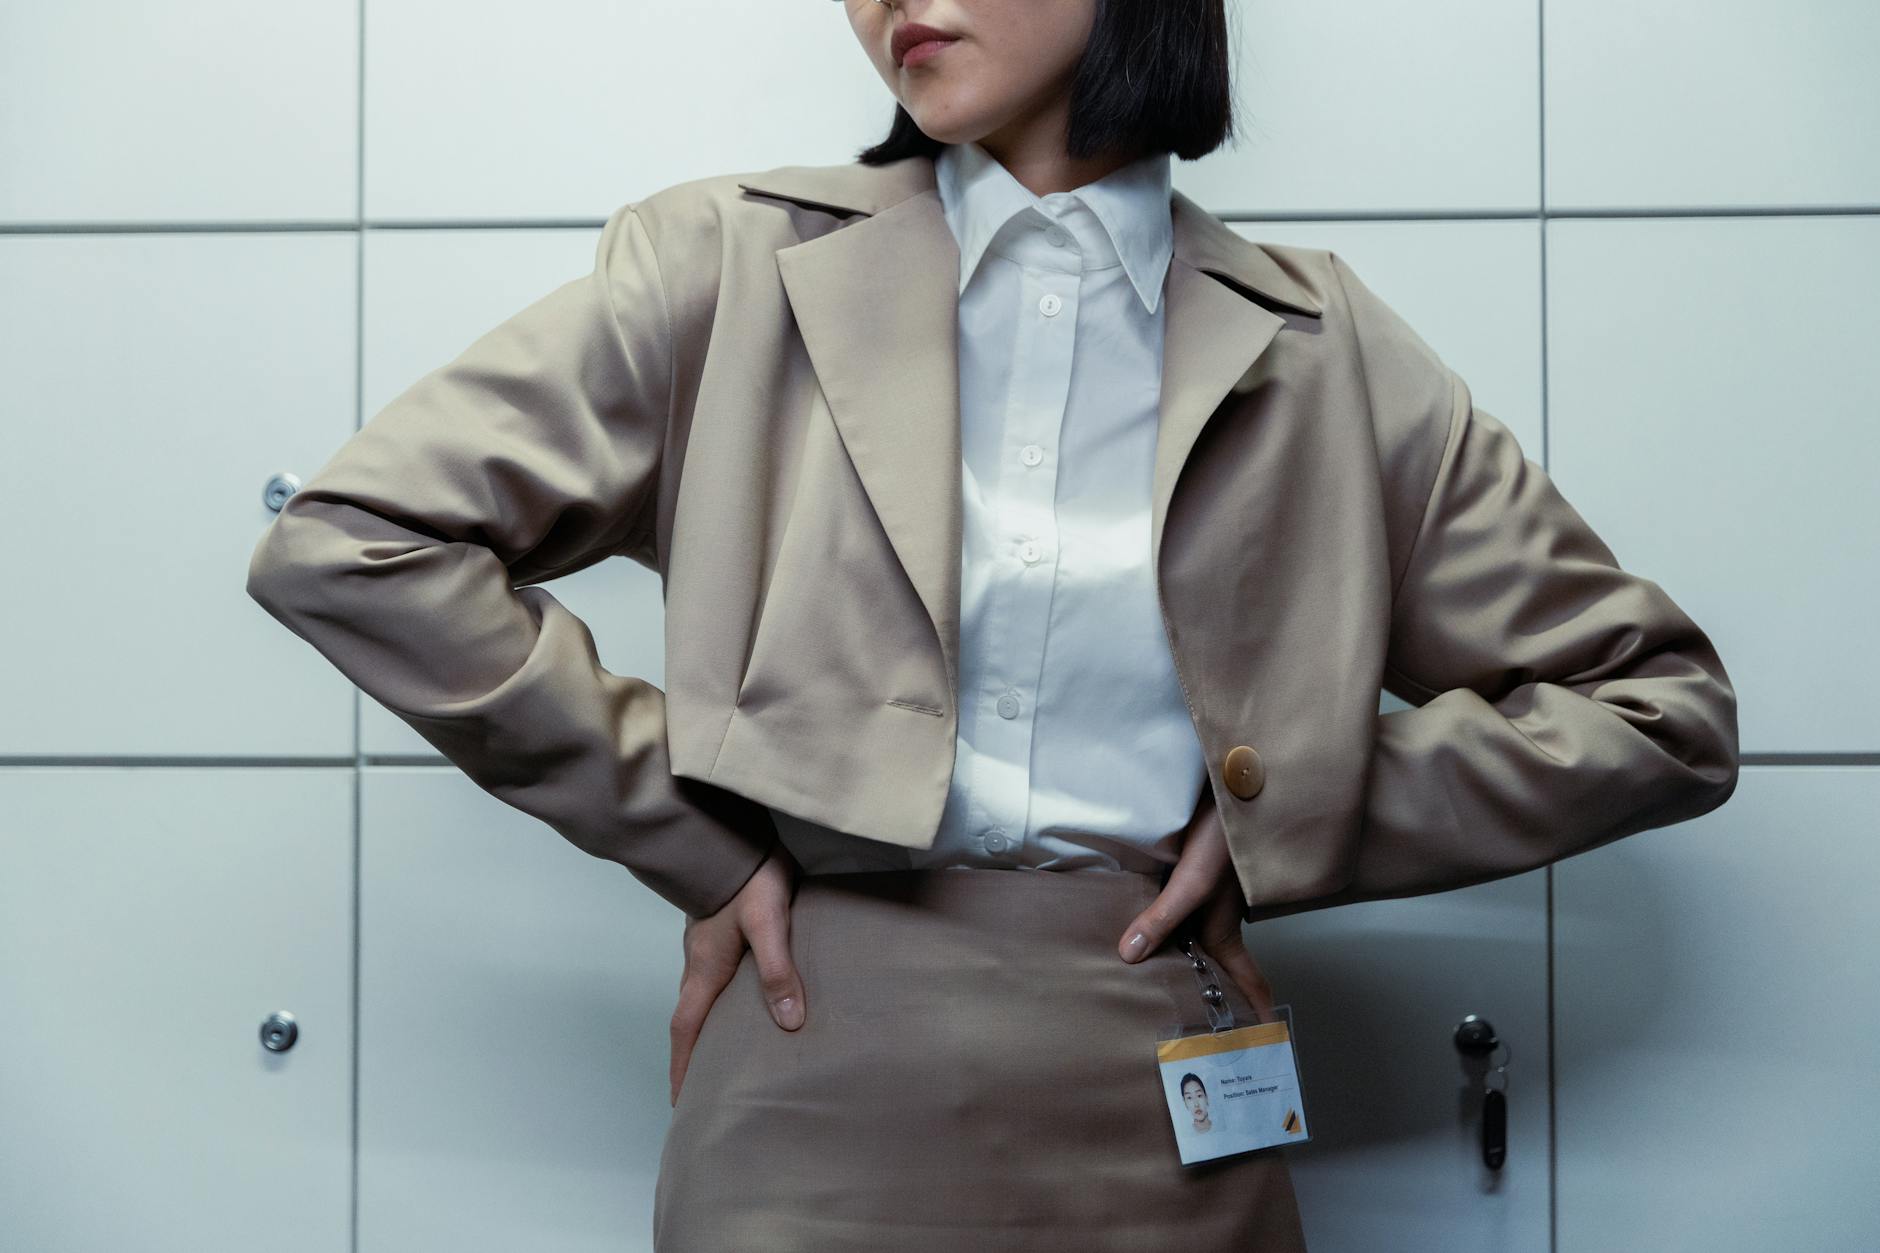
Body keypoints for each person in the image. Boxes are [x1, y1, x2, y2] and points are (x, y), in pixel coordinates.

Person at [245, 1, 1740, 1248]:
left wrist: (1297, 810)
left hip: (1172, 1100)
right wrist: (694, 830)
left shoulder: (1328, 351)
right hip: (810, 1073)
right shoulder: (725, 267)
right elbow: (358, 541)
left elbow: (1658, 705)